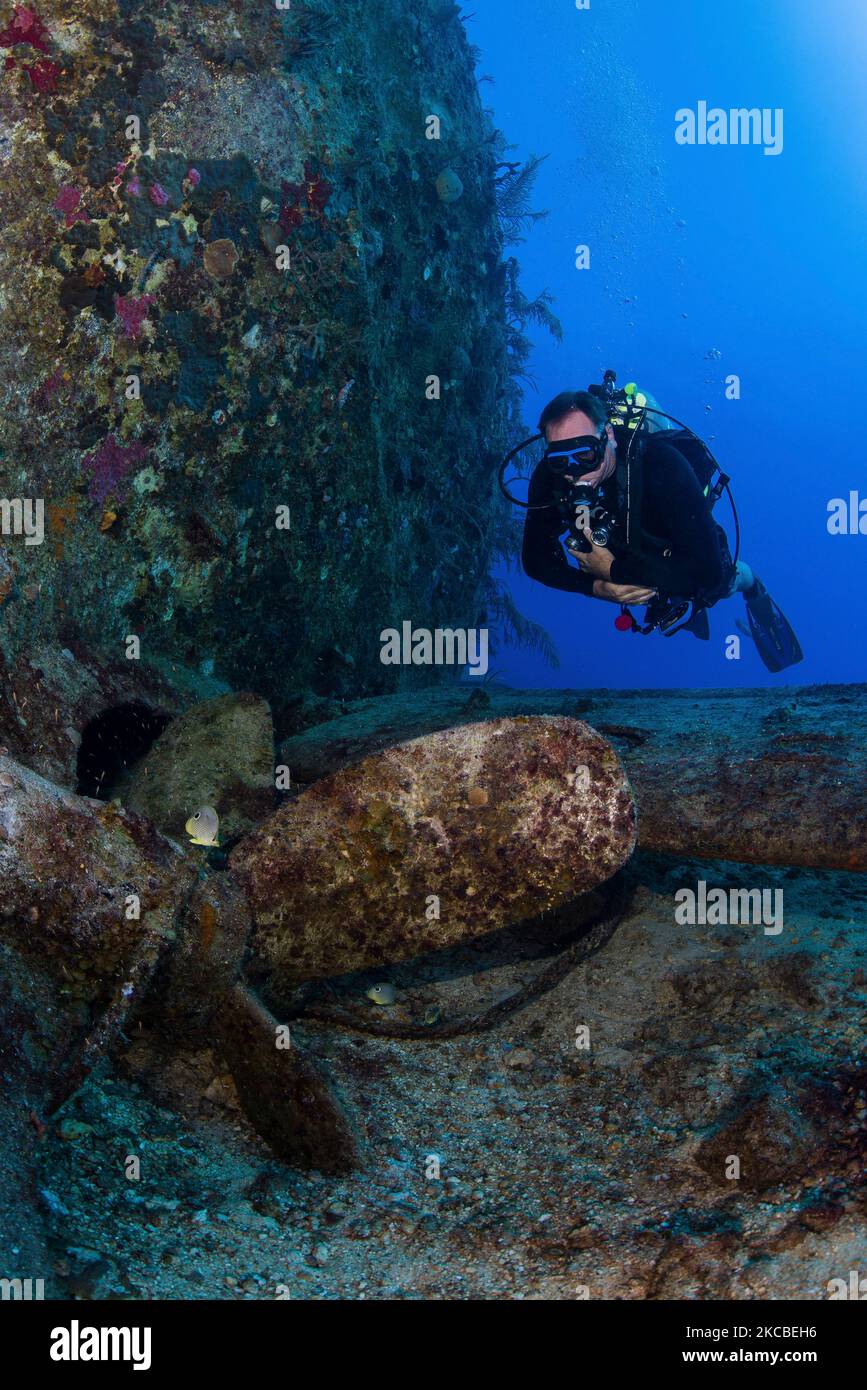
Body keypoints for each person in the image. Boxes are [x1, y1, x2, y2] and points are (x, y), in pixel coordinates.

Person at [521, 388, 802, 670]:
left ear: (607, 436)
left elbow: (706, 571)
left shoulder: (661, 463)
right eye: (560, 460)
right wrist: (597, 587)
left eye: (585, 455)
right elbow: (535, 561)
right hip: (628, 554)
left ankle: (750, 582)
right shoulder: (550, 477)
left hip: (678, 549)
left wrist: (613, 571)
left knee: (720, 585)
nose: (574, 472)